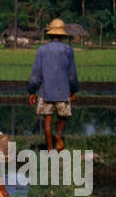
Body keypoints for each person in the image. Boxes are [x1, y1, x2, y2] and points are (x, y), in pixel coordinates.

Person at [28, 19, 79, 151]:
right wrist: (73, 89)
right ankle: (58, 137)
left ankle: (50, 150)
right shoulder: (68, 50)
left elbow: (36, 74)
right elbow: (72, 74)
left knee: (47, 120)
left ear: (49, 34)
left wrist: (32, 91)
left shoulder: (42, 50)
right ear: (63, 35)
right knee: (63, 116)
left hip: (45, 92)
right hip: (63, 91)